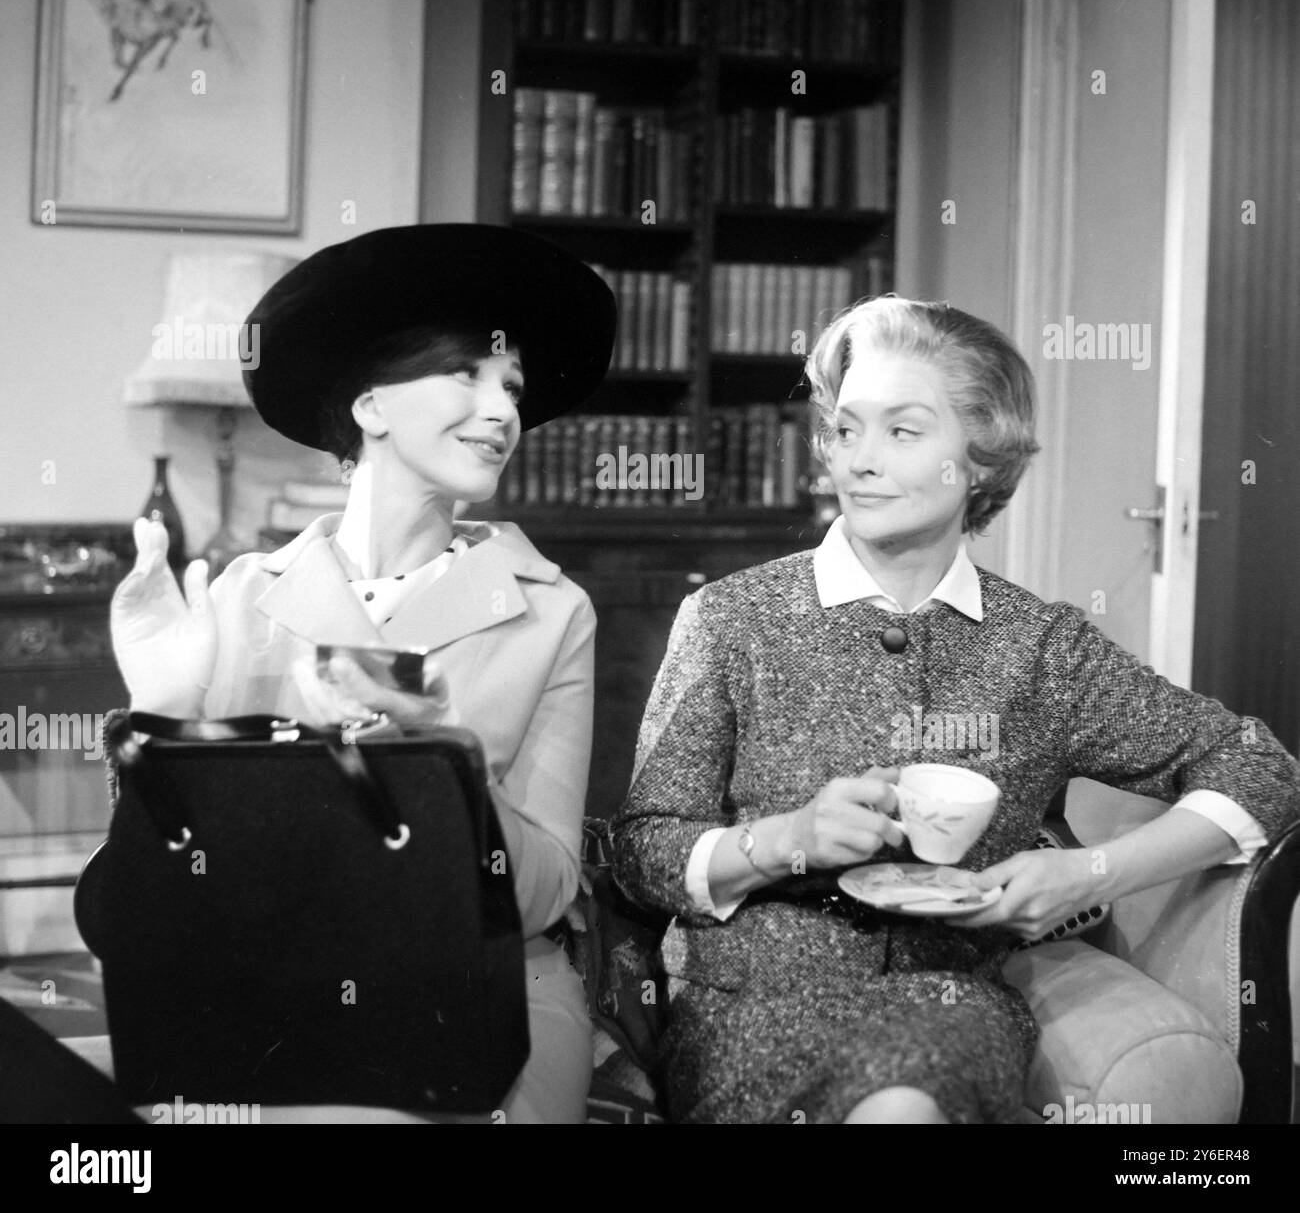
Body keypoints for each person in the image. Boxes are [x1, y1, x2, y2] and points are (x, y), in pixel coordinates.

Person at [611, 295, 1300, 1125]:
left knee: (909, 1094)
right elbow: (642, 849)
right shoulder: (732, 618)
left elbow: (1259, 764)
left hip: (950, 1001)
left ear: (980, 456)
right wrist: (787, 837)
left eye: (902, 431)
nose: (860, 460)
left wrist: (1088, 873)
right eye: (846, 430)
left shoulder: (1042, 648)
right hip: (746, 999)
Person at [110, 223, 616, 1123]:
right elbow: (149, 891)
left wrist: (442, 762)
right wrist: (161, 712)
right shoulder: (238, 596)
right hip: (273, 976)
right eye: (466, 374)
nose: (503, 410)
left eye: (512, 386)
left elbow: (545, 888)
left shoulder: (553, 610)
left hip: (484, 988)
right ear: (371, 406)